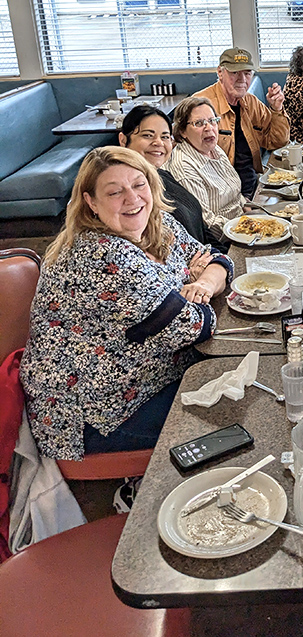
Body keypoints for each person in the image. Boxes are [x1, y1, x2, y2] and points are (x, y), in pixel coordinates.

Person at [20, 147, 233, 461]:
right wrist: (192, 283)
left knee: (231, 388)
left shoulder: (154, 222)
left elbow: (217, 258)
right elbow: (197, 325)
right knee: (227, 420)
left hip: (145, 377)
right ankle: (138, 492)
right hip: (95, 413)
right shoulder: (105, 257)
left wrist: (201, 283)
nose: (133, 199)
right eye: (114, 192)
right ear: (90, 201)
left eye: (138, 184)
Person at [118, 104, 228, 251]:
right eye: (148, 135)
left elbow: (200, 227)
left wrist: (223, 257)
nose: (158, 143)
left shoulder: (162, 176)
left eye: (164, 137)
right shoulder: (130, 196)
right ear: (123, 140)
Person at [194, 47, 290, 199]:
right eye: (234, 73)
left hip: (251, 186)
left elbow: (277, 142)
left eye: (247, 73)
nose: (242, 79)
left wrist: (276, 109)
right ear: (220, 72)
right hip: (221, 195)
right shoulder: (201, 106)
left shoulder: (251, 103)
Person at [165, 96, 246, 236]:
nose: (209, 128)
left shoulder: (213, 148)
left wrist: (249, 209)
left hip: (241, 220)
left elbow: (236, 195)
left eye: (212, 121)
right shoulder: (184, 167)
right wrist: (247, 228)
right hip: (227, 236)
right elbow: (207, 222)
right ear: (182, 131)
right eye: (199, 123)